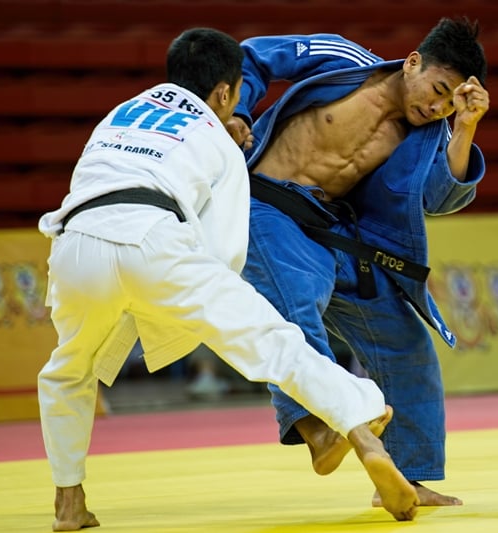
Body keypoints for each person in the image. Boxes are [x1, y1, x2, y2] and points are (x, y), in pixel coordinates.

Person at [37, 27, 420, 531]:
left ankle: (69, 501)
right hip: (155, 235)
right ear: (224, 93)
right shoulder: (217, 136)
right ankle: (361, 427)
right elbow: (225, 250)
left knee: (68, 369)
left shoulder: (121, 112)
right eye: (238, 92)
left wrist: (133, 312)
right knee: (273, 339)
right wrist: (200, 312)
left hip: (74, 239)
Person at [226, 16, 490, 508]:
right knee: (296, 304)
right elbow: (253, 56)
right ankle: (318, 427)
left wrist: (464, 127)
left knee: (405, 341)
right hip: (264, 206)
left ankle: (408, 475)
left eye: (447, 102)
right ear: (412, 62)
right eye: (435, 90)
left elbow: (438, 198)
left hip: (333, 232)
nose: (435, 107)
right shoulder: (342, 59)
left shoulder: (429, 132)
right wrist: (238, 112)